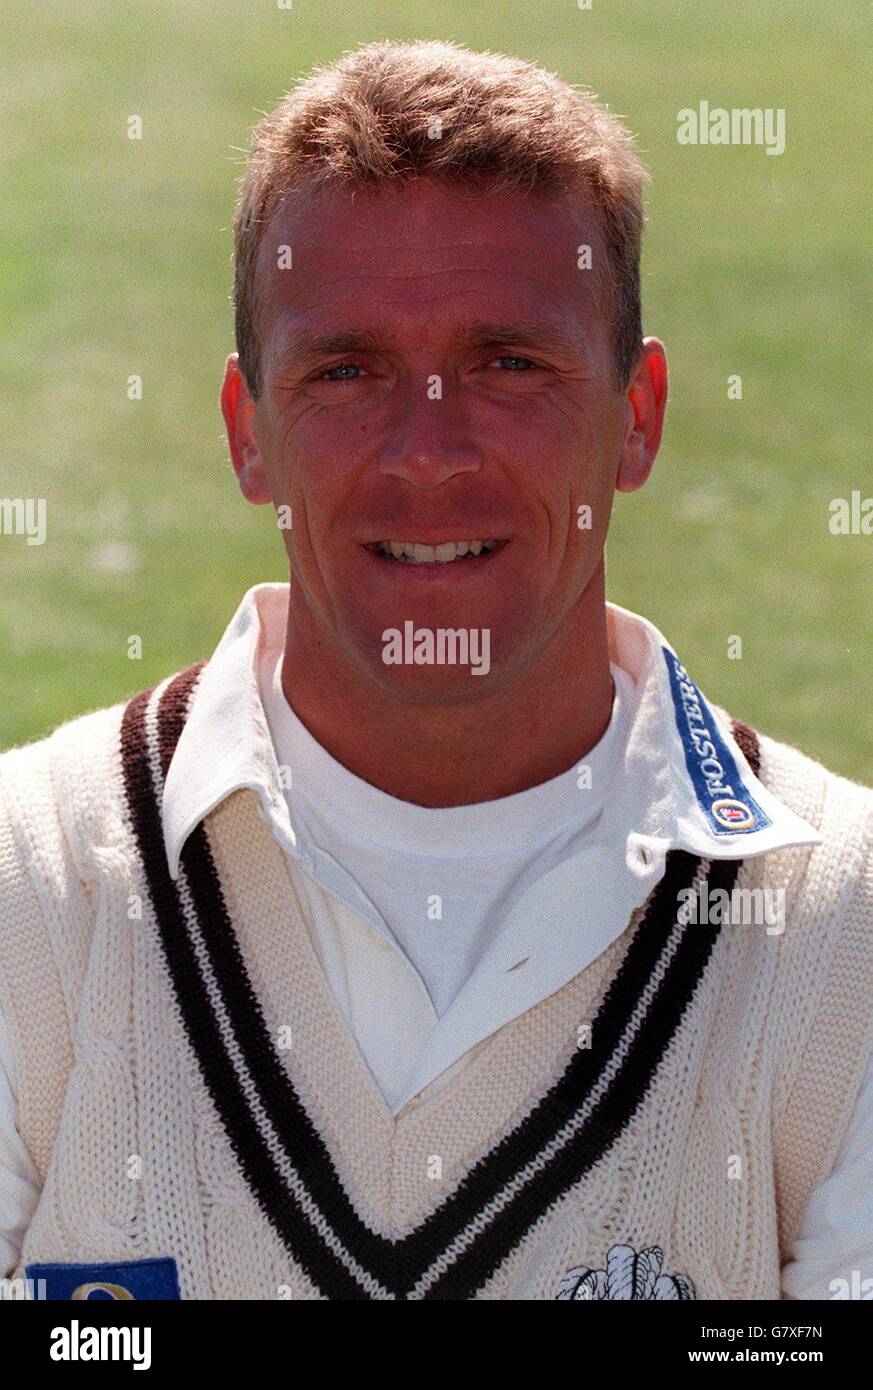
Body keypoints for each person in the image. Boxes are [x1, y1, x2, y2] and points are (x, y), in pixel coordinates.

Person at [1, 39, 871, 1302]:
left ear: (638, 412)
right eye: (346, 370)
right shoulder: (31, 877)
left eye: (509, 363)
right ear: (249, 432)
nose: (428, 452)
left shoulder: (837, 923)